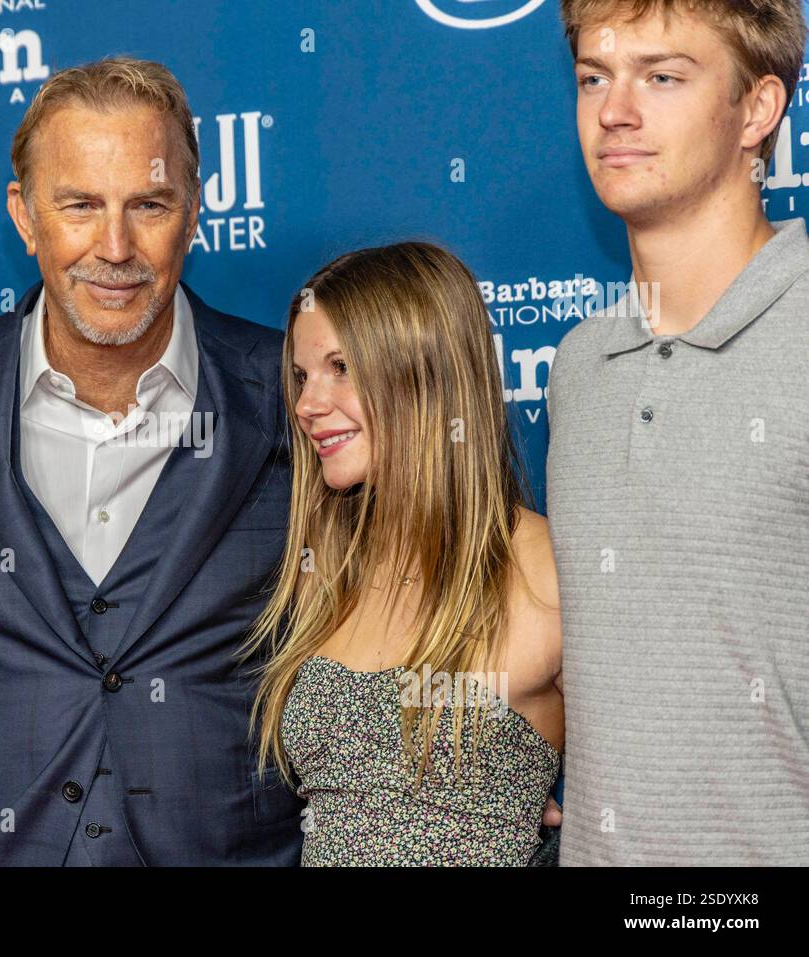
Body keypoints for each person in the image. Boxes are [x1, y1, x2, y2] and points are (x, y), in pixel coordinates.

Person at [0, 56, 303, 866]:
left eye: (147, 204)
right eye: (79, 205)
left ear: (193, 211)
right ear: (25, 215)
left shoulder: (292, 392)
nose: (113, 246)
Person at [546, 0, 809, 864]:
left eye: (662, 76)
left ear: (758, 111)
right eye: (594, 78)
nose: (615, 111)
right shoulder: (579, 370)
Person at [243, 242, 565, 865]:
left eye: (342, 367)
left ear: (426, 373)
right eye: (303, 376)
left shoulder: (546, 571)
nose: (308, 404)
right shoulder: (323, 570)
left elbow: (656, 799)